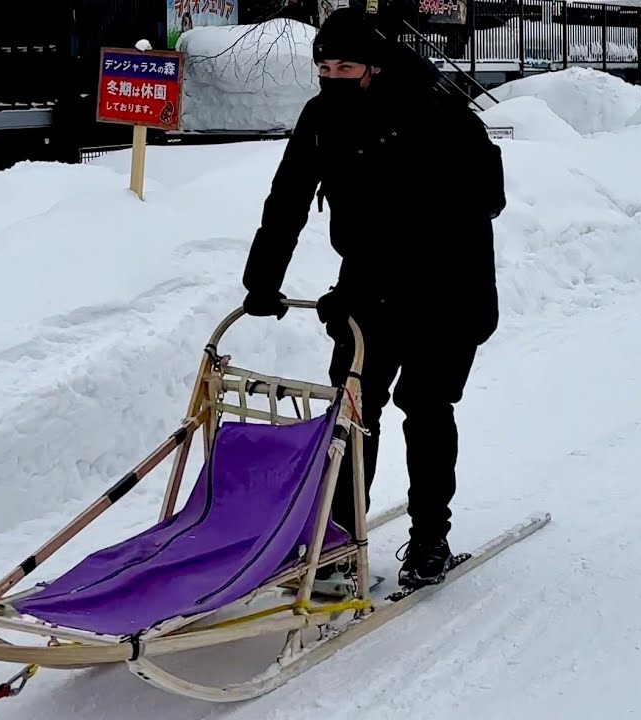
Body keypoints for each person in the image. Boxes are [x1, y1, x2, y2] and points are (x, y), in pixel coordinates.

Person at [239, 7, 506, 592]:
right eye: (324, 67)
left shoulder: (428, 111)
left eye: (346, 67)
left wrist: (363, 289)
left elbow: (446, 214)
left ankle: (430, 539)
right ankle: (338, 541)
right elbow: (287, 198)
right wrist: (261, 281)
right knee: (355, 409)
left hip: (449, 283)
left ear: (375, 67)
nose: (333, 77)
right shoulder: (320, 118)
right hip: (371, 282)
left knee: (425, 405)